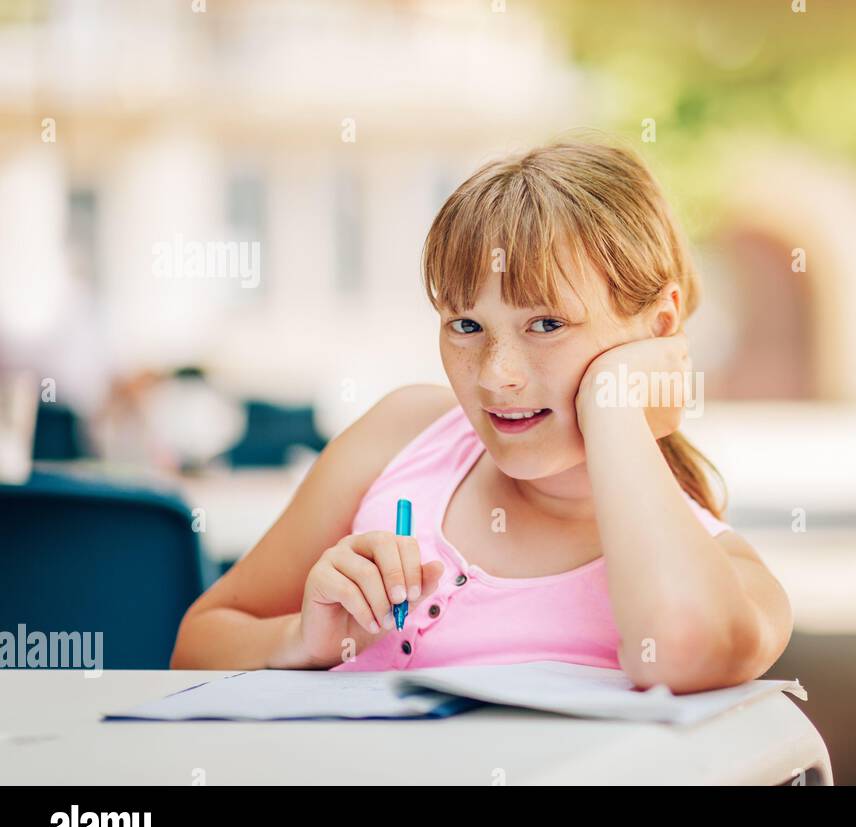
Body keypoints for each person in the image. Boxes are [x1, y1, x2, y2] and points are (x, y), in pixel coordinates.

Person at [171, 137, 792, 693]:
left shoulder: (721, 575)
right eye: (465, 325)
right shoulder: (403, 436)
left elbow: (684, 652)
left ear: (657, 329)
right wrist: (299, 642)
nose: (496, 375)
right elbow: (198, 643)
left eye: (547, 324)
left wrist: (615, 405)